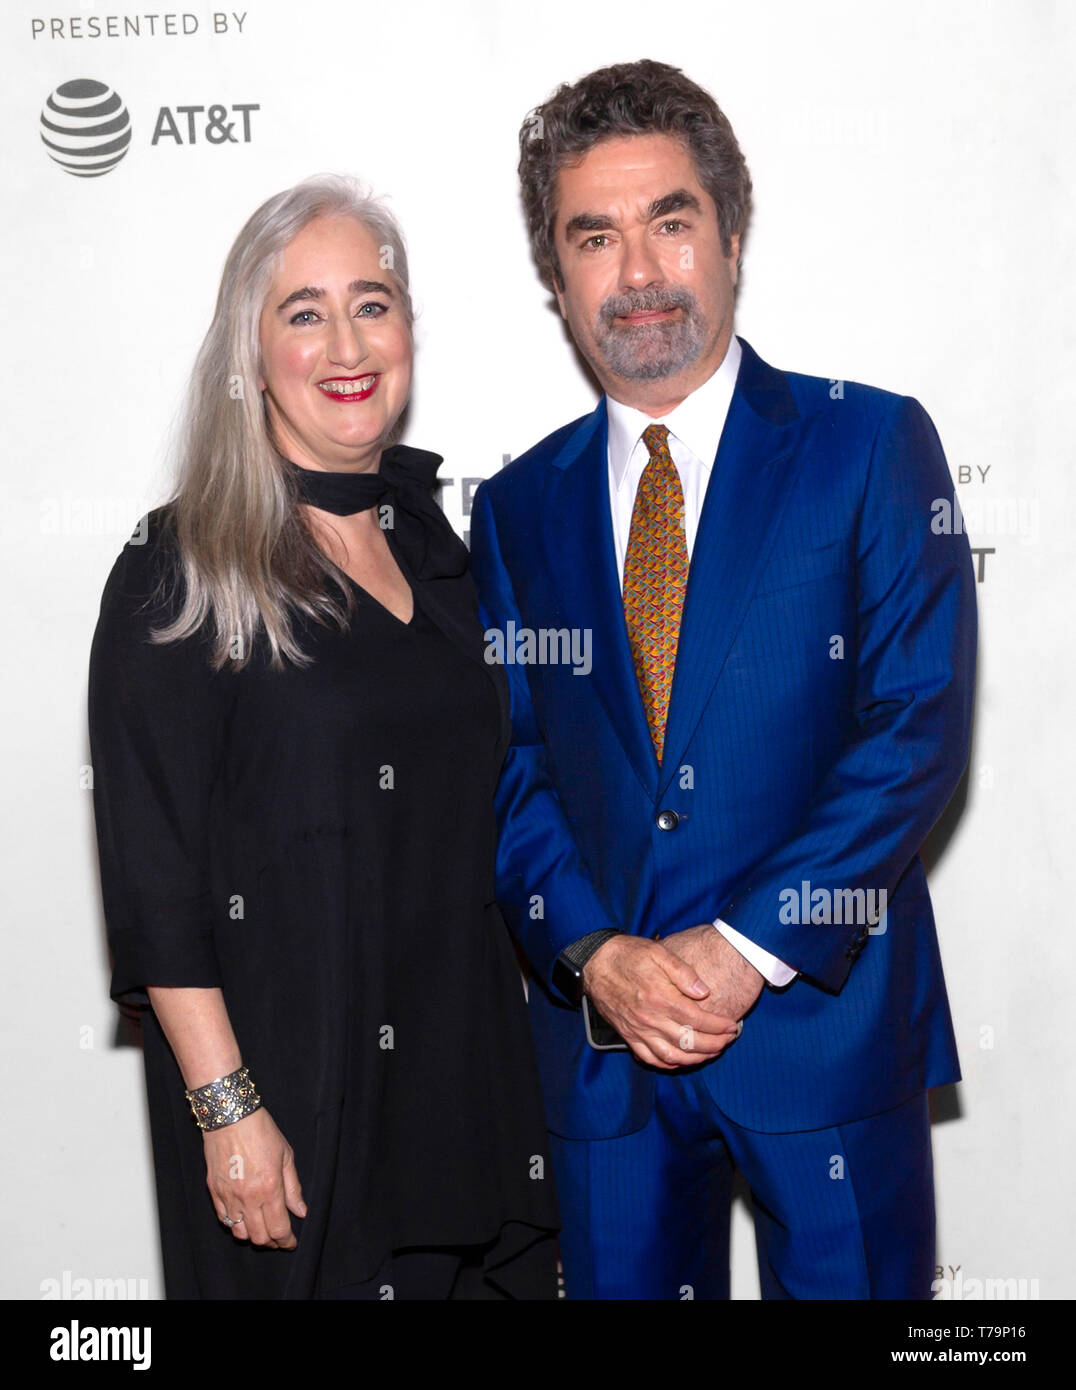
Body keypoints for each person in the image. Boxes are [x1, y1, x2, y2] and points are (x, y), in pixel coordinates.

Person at [469, 60, 977, 1300]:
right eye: (595, 236)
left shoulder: (867, 444)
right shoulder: (514, 505)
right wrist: (595, 952)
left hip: (823, 1041)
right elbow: (510, 761)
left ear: (731, 236)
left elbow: (915, 729)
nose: (636, 272)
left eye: (670, 220)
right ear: (555, 276)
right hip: (605, 1057)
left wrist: (745, 948)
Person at [88, 174, 559, 1300]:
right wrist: (228, 1111)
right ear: (249, 354)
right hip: (294, 1107)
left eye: (371, 303)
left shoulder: (446, 554)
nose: (345, 342)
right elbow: (157, 881)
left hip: (474, 1094)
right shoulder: (181, 568)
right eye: (303, 311)